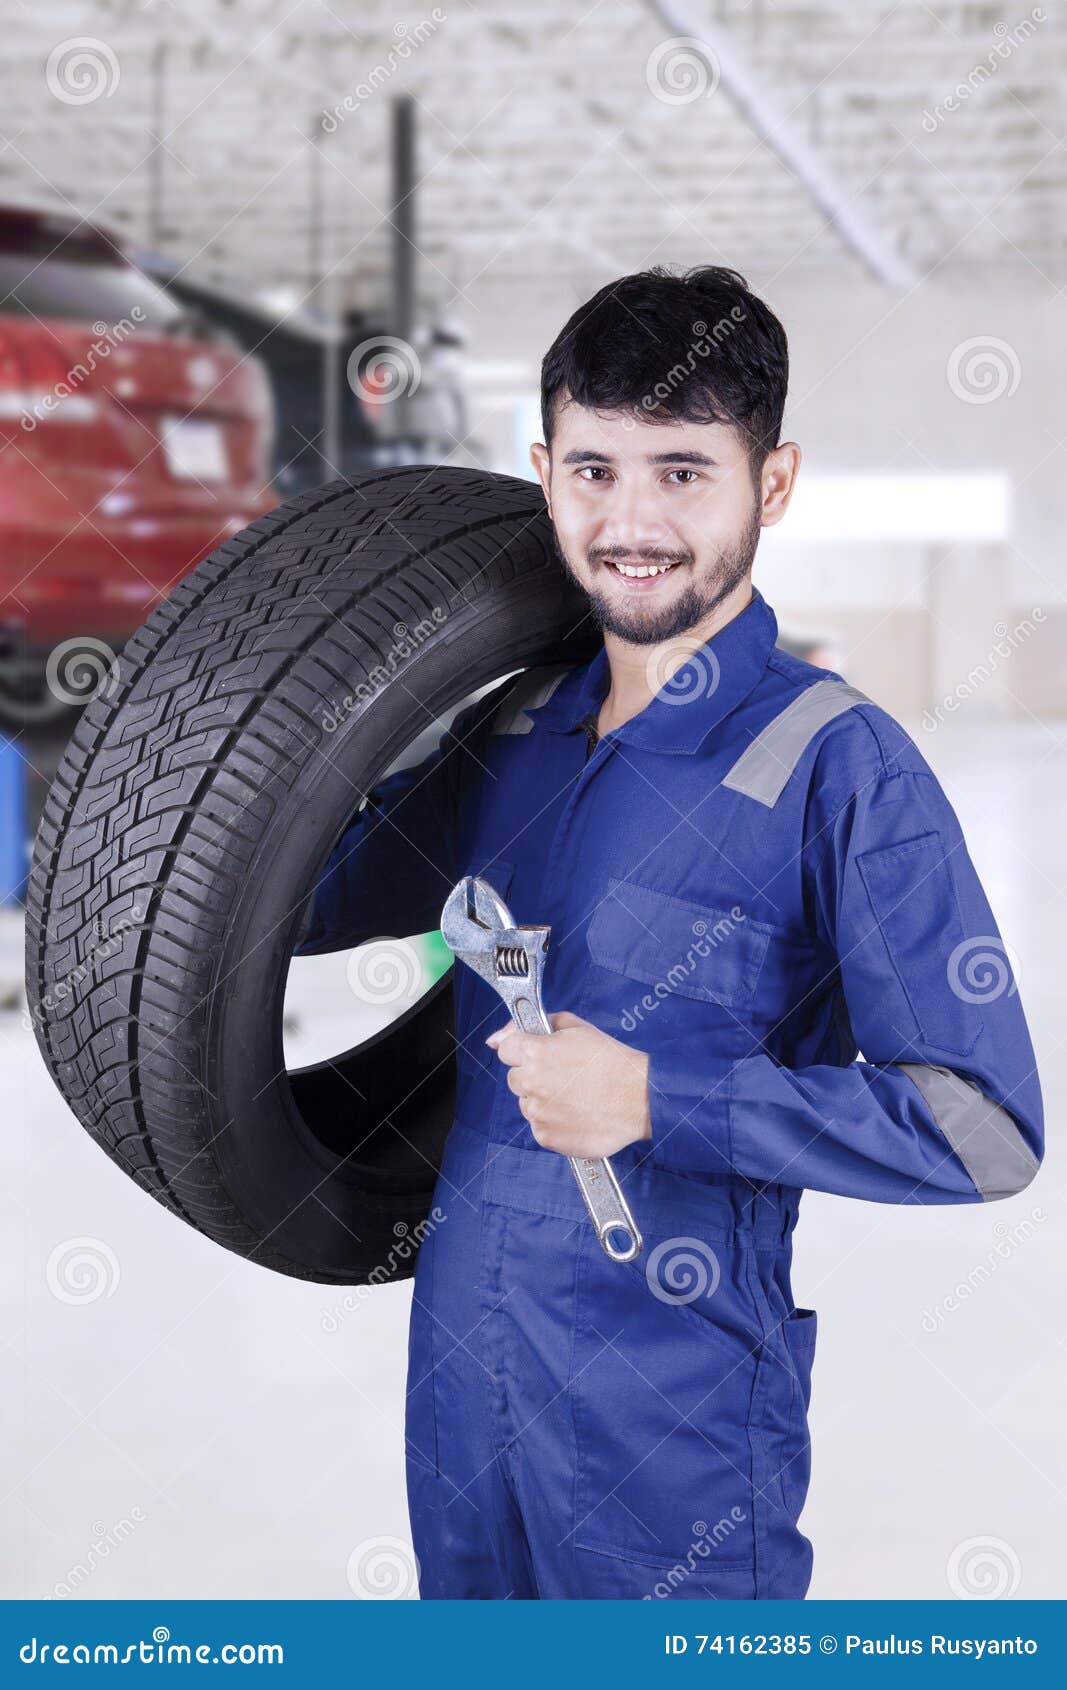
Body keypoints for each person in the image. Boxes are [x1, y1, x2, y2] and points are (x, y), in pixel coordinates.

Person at [294, 265, 1044, 1600]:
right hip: (467, 1376)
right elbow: (288, 897)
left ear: (775, 480)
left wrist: (659, 1097)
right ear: (543, 470)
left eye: (683, 472)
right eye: (593, 468)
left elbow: (986, 1124)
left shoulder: (837, 763)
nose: (631, 519)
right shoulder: (510, 731)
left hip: (675, 1417)